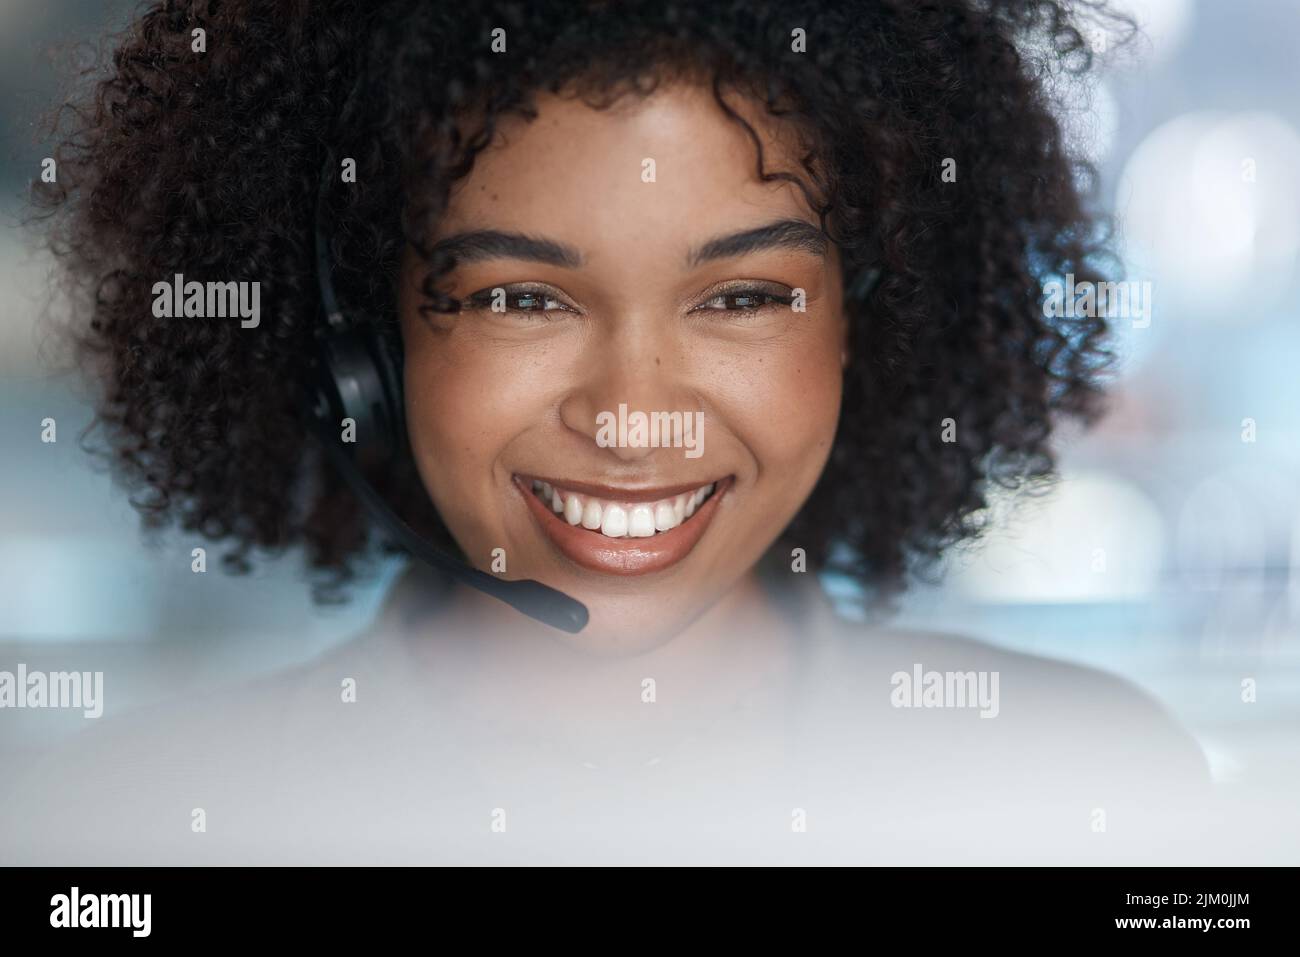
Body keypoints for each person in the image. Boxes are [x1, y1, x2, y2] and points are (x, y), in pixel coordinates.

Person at [6, 0, 1212, 864]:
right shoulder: (125, 829)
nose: (632, 415)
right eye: (518, 299)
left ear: (867, 331)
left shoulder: (1089, 792)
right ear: (363, 352)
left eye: (742, 298)